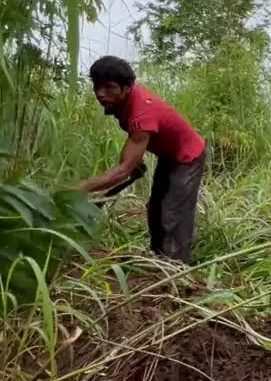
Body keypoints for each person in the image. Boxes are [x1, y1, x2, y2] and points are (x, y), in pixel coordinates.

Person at [78, 55, 207, 264]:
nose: (101, 94)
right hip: (169, 154)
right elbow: (133, 142)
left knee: (173, 214)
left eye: (109, 87)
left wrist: (80, 187)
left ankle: (177, 271)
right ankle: (160, 261)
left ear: (127, 87)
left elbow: (122, 171)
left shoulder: (141, 114)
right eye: (97, 87)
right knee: (156, 210)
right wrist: (131, 161)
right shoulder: (127, 102)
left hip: (188, 157)